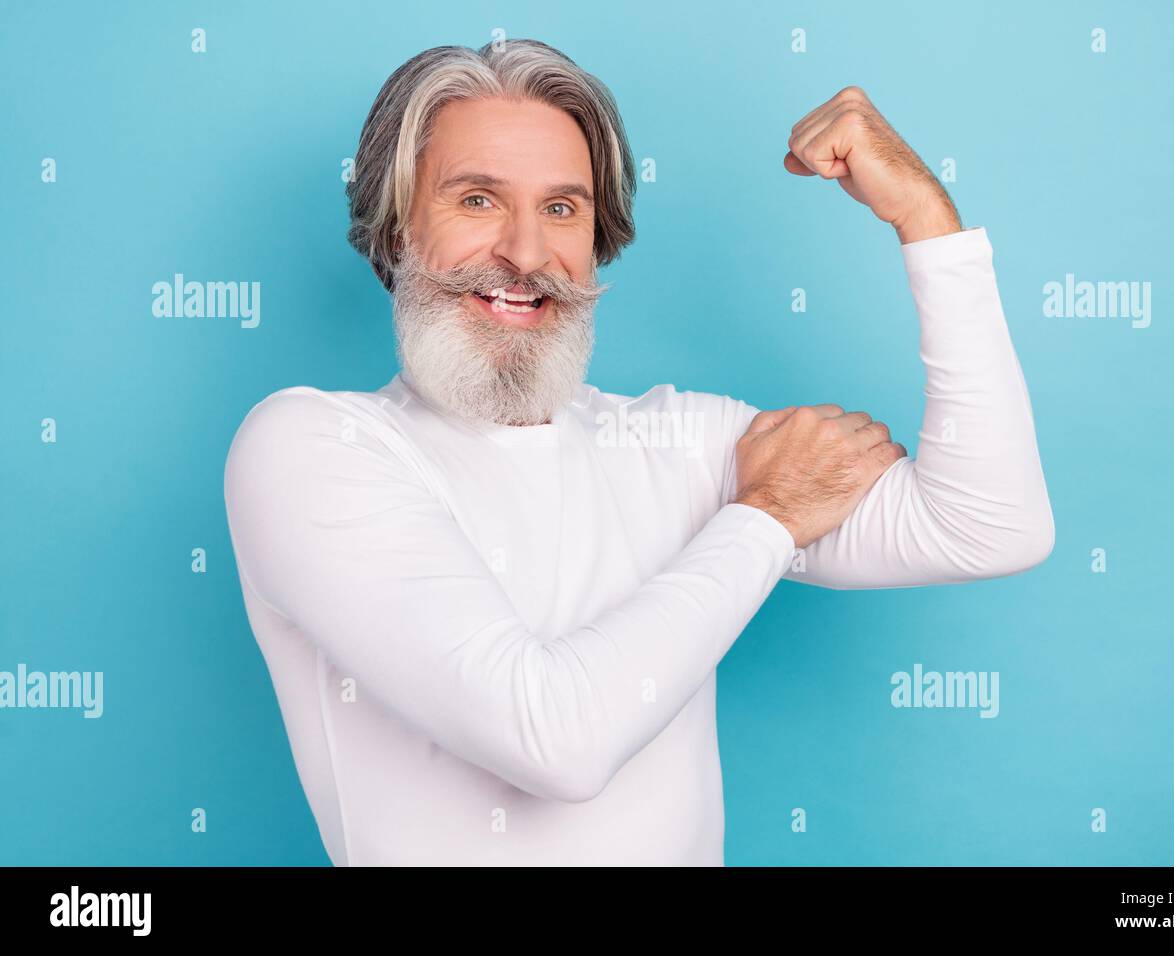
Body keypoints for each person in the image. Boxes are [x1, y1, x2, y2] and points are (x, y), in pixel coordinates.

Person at [222, 38, 1054, 865]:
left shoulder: (673, 439)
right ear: (397, 226)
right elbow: (553, 741)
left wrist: (927, 222)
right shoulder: (312, 447)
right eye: (476, 200)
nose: (525, 253)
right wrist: (762, 519)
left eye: (561, 208)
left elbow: (989, 526)